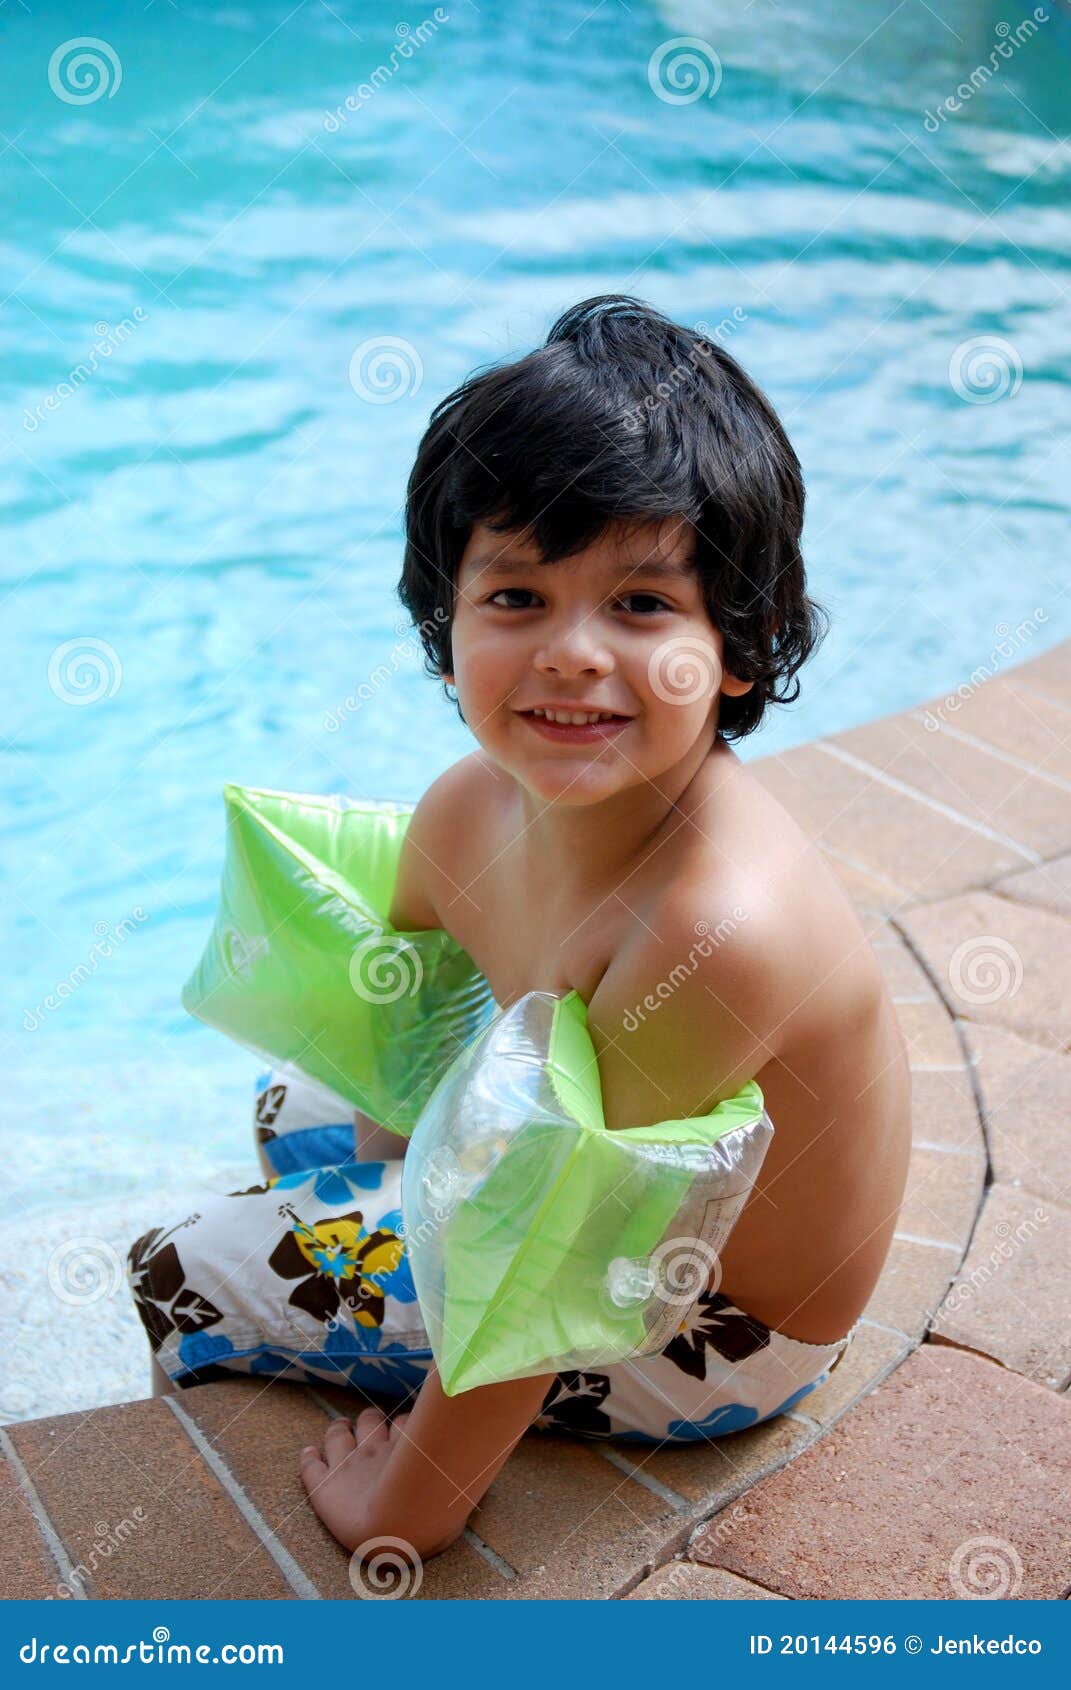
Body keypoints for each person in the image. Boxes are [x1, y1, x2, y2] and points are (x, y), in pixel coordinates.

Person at [126, 294, 911, 1565]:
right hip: (583, 1223)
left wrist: (407, 1509)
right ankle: (346, 1316)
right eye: (519, 596)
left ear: (742, 645)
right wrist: (378, 1192)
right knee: (293, 1112)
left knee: (181, 1265)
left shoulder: (713, 931)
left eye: (645, 605)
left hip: (706, 1324)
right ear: (449, 630)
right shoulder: (469, 809)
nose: (571, 653)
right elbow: (407, 1049)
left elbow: (549, 1272)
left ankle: (232, 1466)